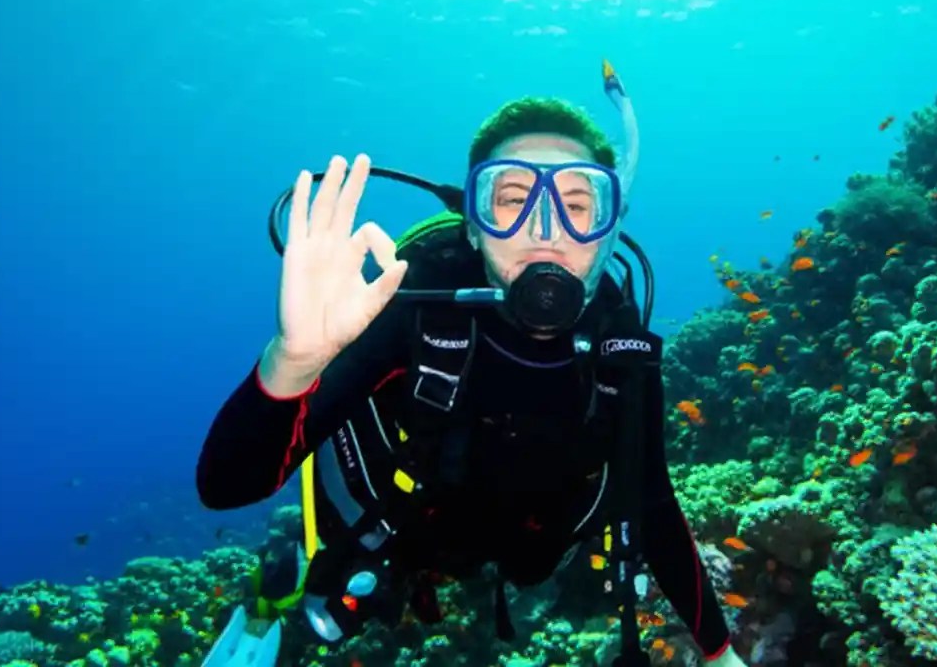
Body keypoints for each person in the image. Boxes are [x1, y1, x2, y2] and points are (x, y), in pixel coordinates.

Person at [196, 63, 746, 667]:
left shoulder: (621, 345)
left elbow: (653, 502)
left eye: (578, 204)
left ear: (609, 229)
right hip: (402, 537)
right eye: (510, 200)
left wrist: (720, 656)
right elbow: (225, 488)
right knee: (326, 606)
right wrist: (294, 361)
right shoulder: (416, 303)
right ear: (475, 226)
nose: (545, 230)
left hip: (532, 547)